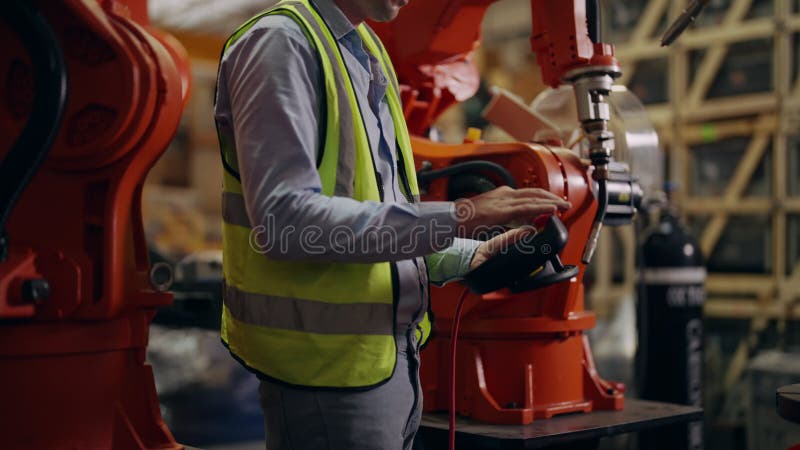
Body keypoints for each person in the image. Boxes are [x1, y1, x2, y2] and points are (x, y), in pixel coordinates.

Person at [213, 0, 571, 448]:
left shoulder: (365, 48)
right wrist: (465, 214)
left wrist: (465, 252)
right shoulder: (281, 43)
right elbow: (285, 223)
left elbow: (379, 208)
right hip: (324, 373)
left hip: (391, 362)